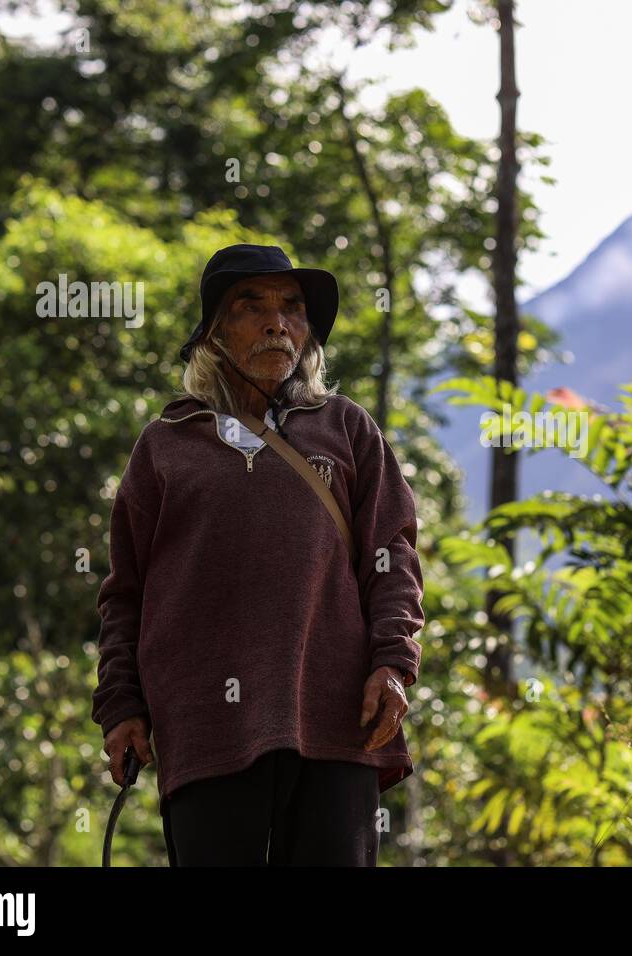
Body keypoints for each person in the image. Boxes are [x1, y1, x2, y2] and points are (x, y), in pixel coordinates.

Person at [90, 243, 425, 865]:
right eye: (253, 306)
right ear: (215, 333)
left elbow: (393, 556)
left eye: (293, 308)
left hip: (337, 721)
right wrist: (120, 703)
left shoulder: (346, 428)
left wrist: (393, 664)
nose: (278, 323)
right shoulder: (165, 447)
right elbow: (124, 594)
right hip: (206, 725)